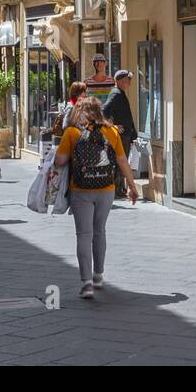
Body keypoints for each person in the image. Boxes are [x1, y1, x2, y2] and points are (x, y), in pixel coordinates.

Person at [54, 97, 138, 299]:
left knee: (84, 234)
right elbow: (121, 160)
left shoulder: (72, 133)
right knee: (99, 231)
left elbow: (59, 160)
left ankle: (87, 283)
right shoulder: (111, 132)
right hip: (106, 188)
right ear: (99, 112)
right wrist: (132, 186)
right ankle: (99, 275)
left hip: (81, 189)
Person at [102, 70, 138, 200]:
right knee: (120, 162)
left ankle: (119, 189)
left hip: (125, 135)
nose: (129, 83)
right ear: (121, 81)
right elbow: (104, 111)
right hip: (121, 136)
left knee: (121, 162)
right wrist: (113, 126)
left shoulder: (119, 93)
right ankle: (117, 190)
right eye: (128, 80)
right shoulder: (116, 94)